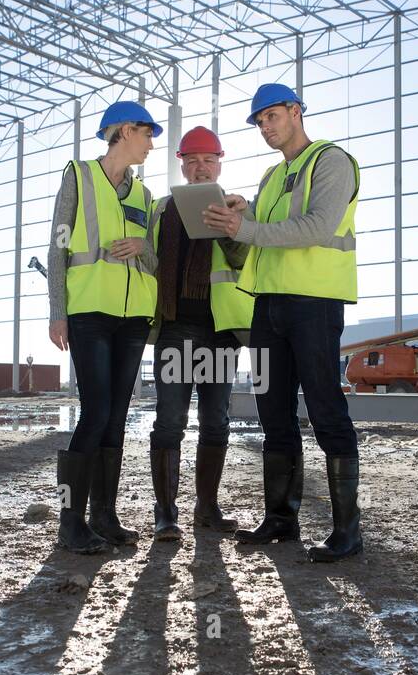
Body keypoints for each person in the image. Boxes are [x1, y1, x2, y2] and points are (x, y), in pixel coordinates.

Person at [201, 83, 363, 562]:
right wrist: (244, 212)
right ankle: (280, 518)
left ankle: (347, 530)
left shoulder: (331, 161)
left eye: (272, 116)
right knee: (273, 411)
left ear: (296, 111)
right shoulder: (273, 175)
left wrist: (246, 227)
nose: (266, 127)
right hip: (268, 305)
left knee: (326, 409)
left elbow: (317, 226)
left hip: (314, 303)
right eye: (259, 121)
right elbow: (262, 232)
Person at [47, 100, 160, 554]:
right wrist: (58, 311)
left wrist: (143, 247)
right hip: (90, 312)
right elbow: (57, 247)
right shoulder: (78, 176)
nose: (151, 144)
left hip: (133, 319)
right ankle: (69, 520)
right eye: (147, 134)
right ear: (125, 131)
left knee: (116, 417)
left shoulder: (144, 196)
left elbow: (155, 261)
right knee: (95, 413)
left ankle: (104, 516)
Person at [147, 126, 254, 540]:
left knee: (215, 421)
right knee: (170, 420)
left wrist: (235, 223)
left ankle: (207, 508)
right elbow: (150, 259)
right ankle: (166, 512)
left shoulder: (236, 207)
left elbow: (243, 258)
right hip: (177, 327)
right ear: (182, 166)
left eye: (208, 160)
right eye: (192, 161)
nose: (200, 167)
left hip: (221, 329)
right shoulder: (161, 209)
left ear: (220, 164)